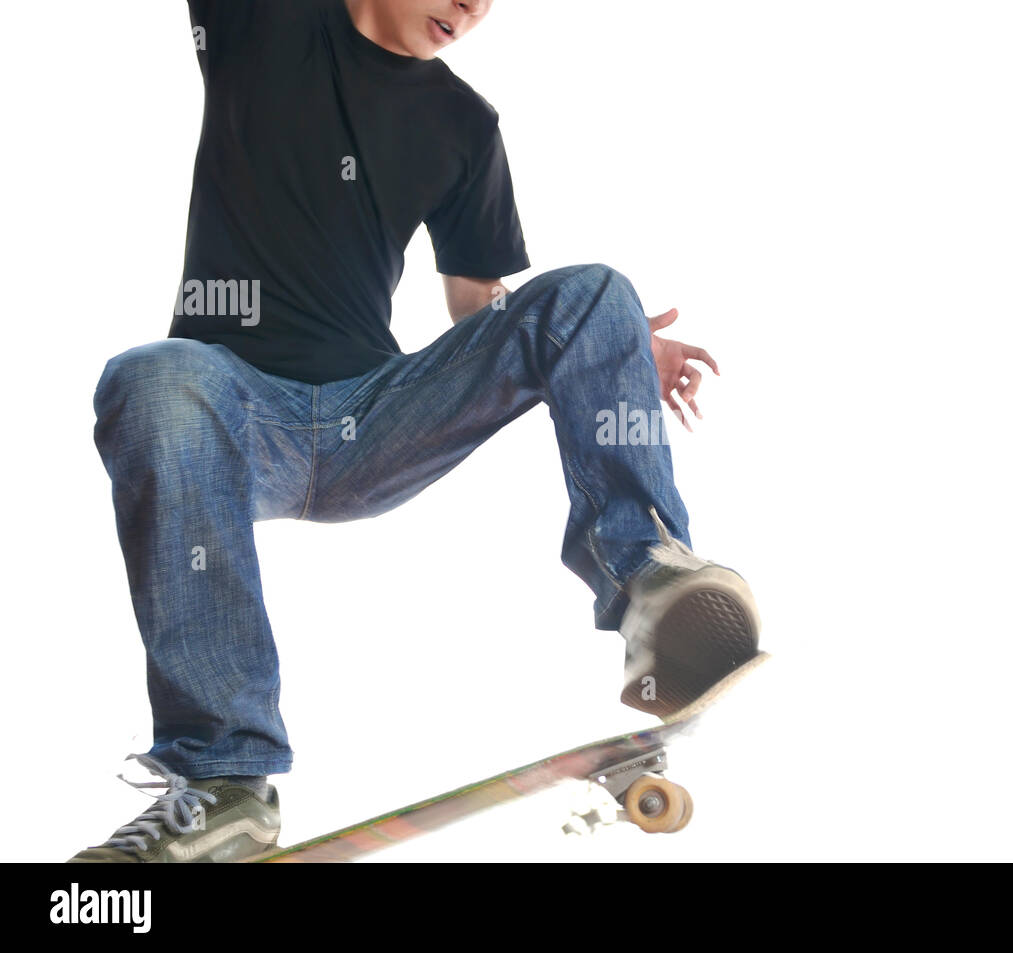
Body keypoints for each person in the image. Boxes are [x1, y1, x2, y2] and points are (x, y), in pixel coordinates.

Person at [70, 0, 760, 864]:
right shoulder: (262, 23)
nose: (472, 8)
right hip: (236, 416)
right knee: (154, 373)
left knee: (595, 291)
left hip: (380, 416)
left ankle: (654, 591)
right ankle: (222, 782)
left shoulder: (465, 123)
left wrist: (609, 335)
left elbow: (478, 308)